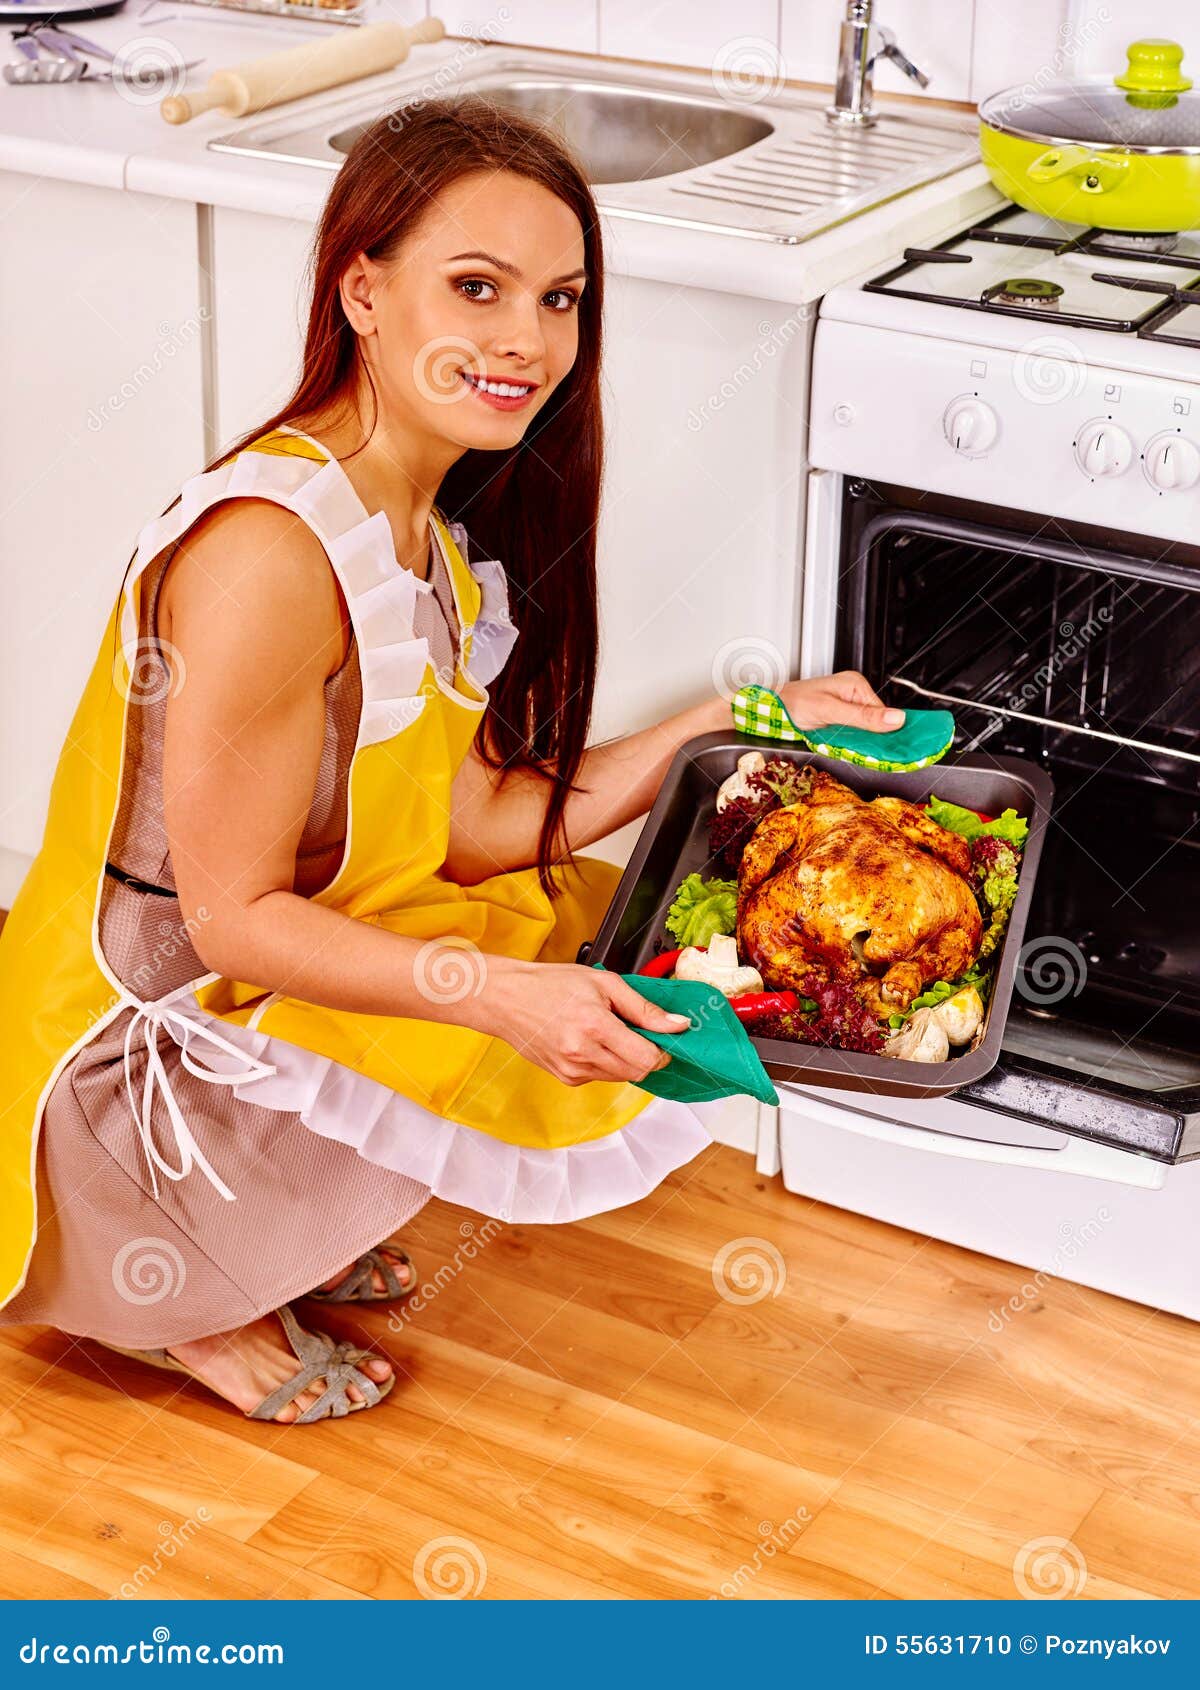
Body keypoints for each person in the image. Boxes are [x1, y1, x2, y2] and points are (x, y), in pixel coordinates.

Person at [0, 97, 904, 1425]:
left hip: (234, 990)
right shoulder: (270, 556)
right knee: (510, 989)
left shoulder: (414, 530)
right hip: (137, 1049)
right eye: (475, 287)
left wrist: (716, 735)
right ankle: (175, 1296)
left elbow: (473, 821)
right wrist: (492, 997)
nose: (527, 342)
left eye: (560, 298)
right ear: (361, 289)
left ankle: (256, 1235)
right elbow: (231, 924)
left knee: (584, 930)